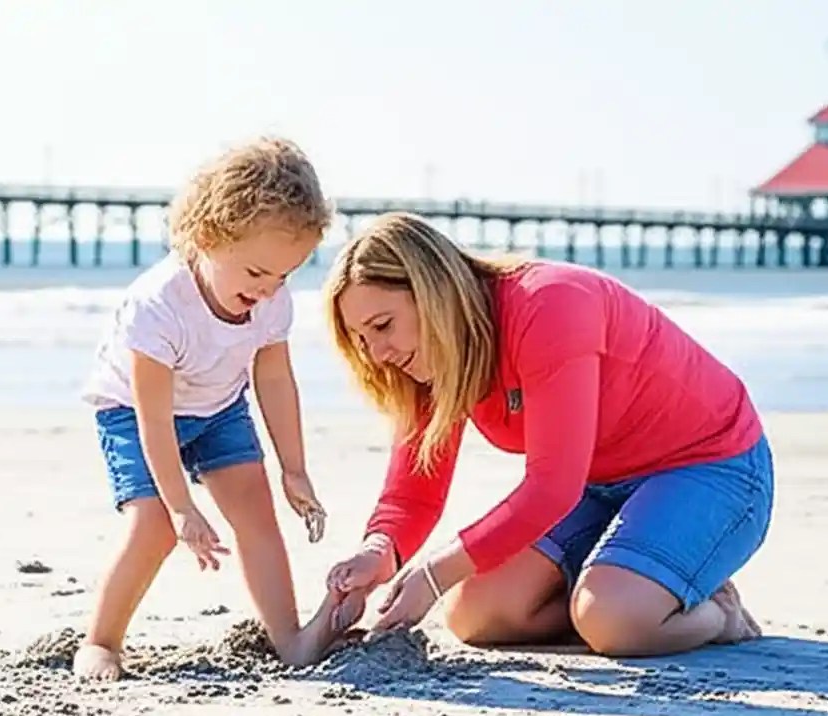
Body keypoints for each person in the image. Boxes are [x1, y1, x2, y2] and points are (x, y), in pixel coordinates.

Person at [321, 211, 772, 657]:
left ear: (433, 291)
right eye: (362, 339)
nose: (377, 353)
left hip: (713, 464)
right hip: (597, 486)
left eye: (383, 326)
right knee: (475, 614)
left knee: (613, 622)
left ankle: (717, 614)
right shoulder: (425, 363)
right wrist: (377, 553)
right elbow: (412, 496)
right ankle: (627, 587)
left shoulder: (548, 304)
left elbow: (551, 488)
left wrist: (433, 574)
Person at [74, 137, 342, 679]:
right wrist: (180, 508)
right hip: (137, 411)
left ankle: (288, 638)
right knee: (153, 527)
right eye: (256, 274)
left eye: (284, 277)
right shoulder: (159, 306)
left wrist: (295, 468)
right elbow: (153, 418)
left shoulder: (270, 301)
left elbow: (274, 378)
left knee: (257, 514)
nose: (268, 291)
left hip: (219, 405)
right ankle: (101, 641)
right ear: (207, 237)